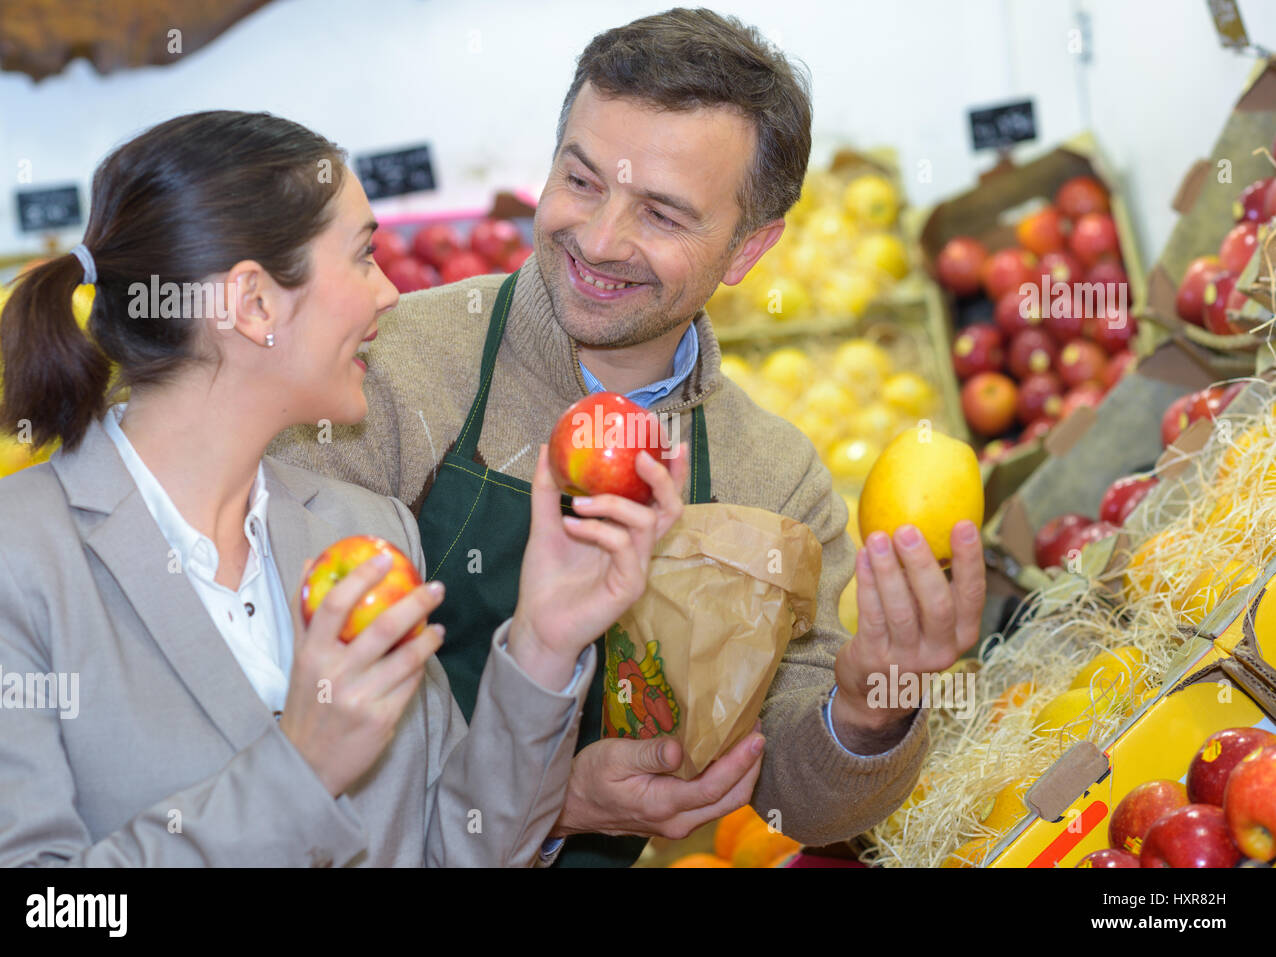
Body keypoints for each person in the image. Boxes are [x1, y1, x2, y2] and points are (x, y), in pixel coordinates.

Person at [269, 7, 986, 867]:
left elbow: (798, 800)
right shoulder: (382, 372)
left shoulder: (774, 476)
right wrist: (547, 801)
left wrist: (872, 705)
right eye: (581, 181)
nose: (600, 239)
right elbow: (270, 695)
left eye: (664, 216)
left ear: (749, 249)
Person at [0, 110, 686, 867]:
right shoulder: (8, 562)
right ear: (252, 305)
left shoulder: (366, 532)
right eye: (361, 257)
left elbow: (460, 848)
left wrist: (546, 642)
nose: (388, 293)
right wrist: (300, 772)